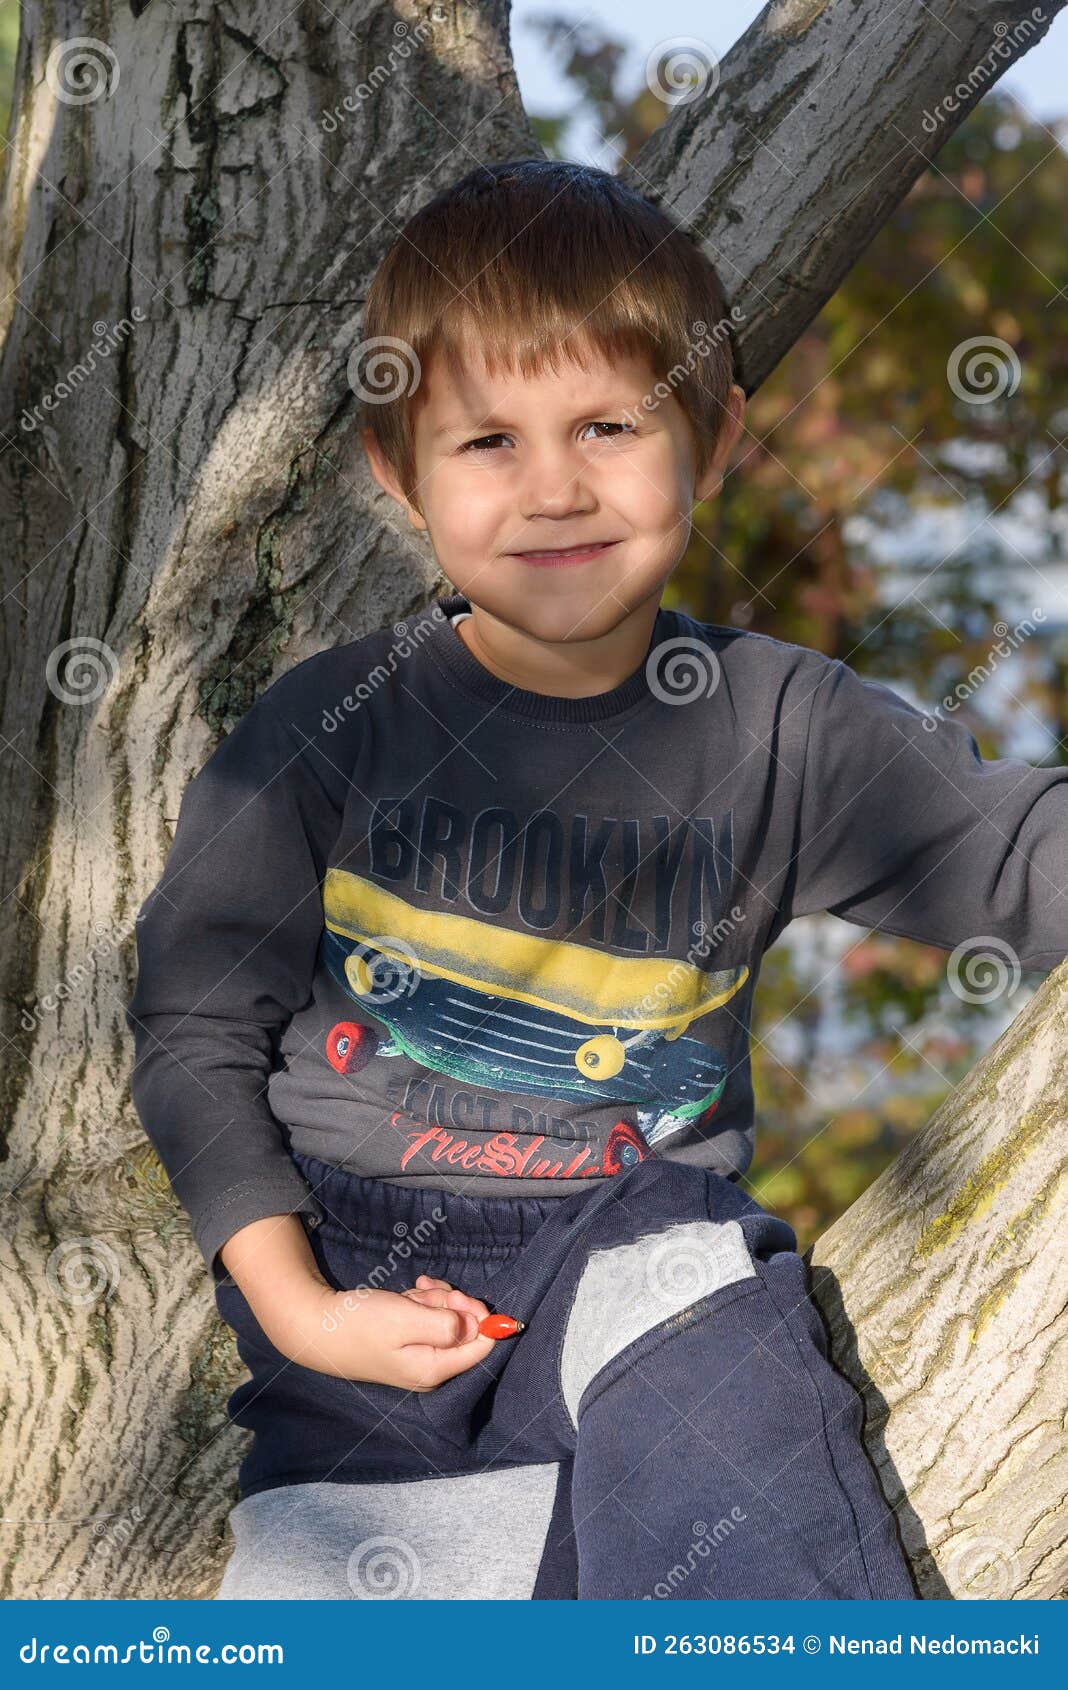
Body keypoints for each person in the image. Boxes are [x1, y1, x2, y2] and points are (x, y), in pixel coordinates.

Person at [126, 159, 1068, 1602]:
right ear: (397, 472)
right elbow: (194, 1029)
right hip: (364, 1263)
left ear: (714, 432)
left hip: (637, 1237)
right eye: (488, 440)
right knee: (358, 1603)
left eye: (610, 426)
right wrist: (301, 1308)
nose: (556, 486)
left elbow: (1008, 845)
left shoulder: (779, 725)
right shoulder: (329, 723)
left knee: (734, 1414)